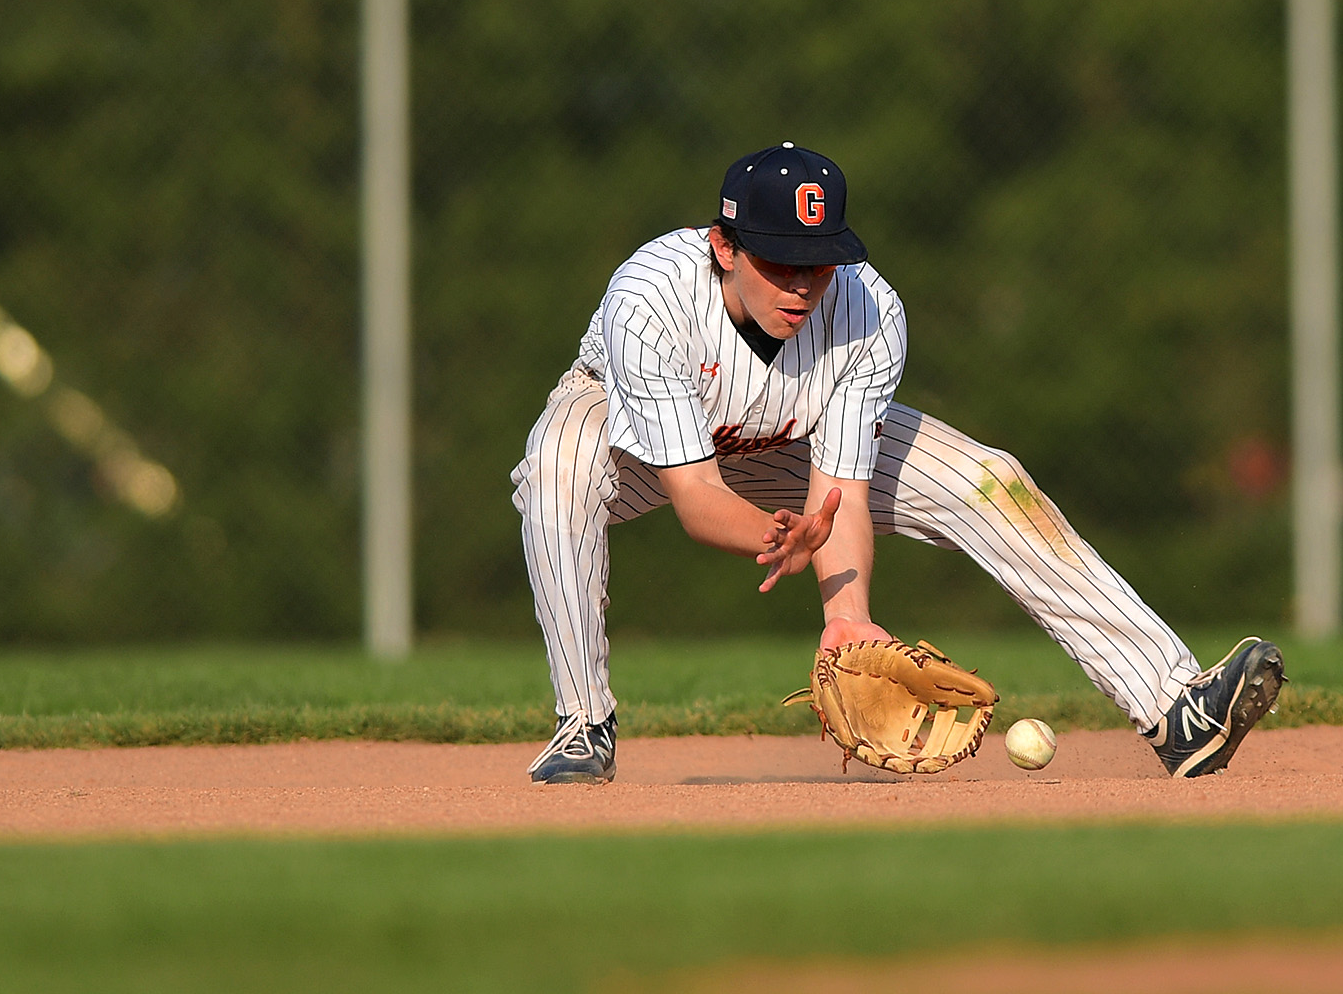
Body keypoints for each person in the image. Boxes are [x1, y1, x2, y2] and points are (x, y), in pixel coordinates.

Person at [512, 143, 1285, 785]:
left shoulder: (866, 309)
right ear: (724, 246)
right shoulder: (650, 299)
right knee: (558, 472)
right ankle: (584, 723)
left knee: (990, 481)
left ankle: (1176, 708)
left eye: (818, 263)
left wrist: (846, 620)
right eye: (780, 263)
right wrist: (780, 535)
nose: (803, 285)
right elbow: (698, 496)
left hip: (788, 445)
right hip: (635, 434)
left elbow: (839, 485)